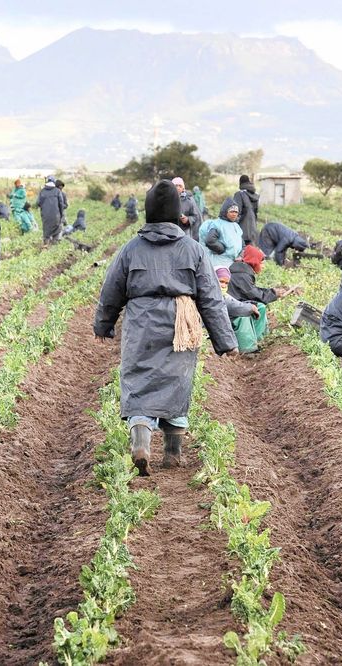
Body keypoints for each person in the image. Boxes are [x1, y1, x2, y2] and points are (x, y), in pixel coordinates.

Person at [93, 179, 237, 475]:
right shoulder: (193, 250)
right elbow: (211, 298)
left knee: (139, 380)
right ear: (175, 212)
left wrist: (103, 325)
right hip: (180, 322)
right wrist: (225, 341)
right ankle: (173, 453)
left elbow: (111, 291)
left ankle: (141, 439)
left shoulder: (131, 248)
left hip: (141, 322)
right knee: (176, 382)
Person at [216, 266, 266, 354]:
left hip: (223, 318)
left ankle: (258, 340)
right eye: (221, 282)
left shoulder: (223, 293)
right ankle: (247, 350)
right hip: (215, 324)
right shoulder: (211, 293)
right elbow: (230, 305)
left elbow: (233, 302)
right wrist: (250, 308)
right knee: (242, 318)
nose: (223, 285)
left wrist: (251, 305)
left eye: (226, 283)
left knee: (258, 307)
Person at [199, 199, 244, 270]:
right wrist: (222, 250)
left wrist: (241, 255)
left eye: (236, 212)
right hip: (219, 262)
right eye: (232, 211)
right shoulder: (217, 224)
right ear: (225, 212)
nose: (234, 214)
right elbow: (210, 241)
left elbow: (242, 243)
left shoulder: (236, 226)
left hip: (233, 261)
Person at [36, 176, 65, 244]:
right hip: (56, 216)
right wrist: (61, 215)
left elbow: (38, 203)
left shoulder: (42, 191)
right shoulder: (57, 191)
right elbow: (61, 204)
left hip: (45, 216)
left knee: (46, 232)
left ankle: (46, 246)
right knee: (56, 232)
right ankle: (54, 247)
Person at [172, 176, 203, 241]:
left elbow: (195, 216)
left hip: (184, 233)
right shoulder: (166, 200)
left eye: (180, 186)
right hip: (170, 232)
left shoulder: (189, 200)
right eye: (175, 185)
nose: (178, 188)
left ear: (183, 188)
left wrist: (187, 219)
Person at [233, 175, 260, 245]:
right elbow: (256, 212)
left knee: (241, 252)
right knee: (250, 252)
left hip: (242, 229)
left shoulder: (239, 194)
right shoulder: (255, 195)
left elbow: (236, 212)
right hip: (253, 229)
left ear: (240, 183)